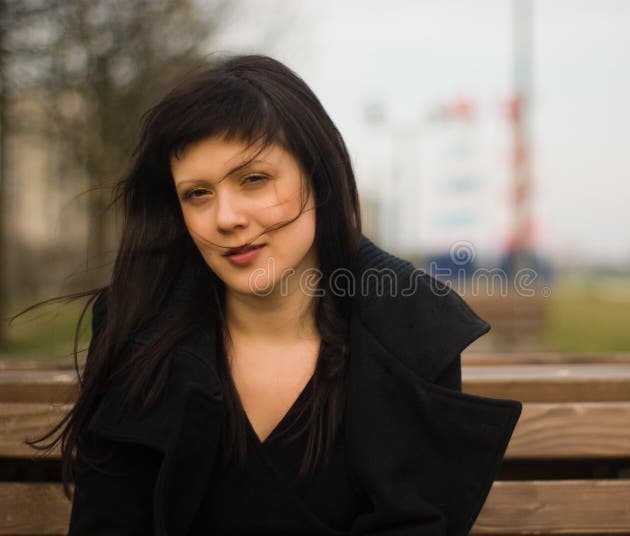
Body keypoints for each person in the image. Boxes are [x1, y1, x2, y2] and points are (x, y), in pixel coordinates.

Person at [33, 54, 521, 535]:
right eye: (197, 194)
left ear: (317, 176)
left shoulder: (410, 329)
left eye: (254, 179)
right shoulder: (139, 331)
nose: (226, 217)